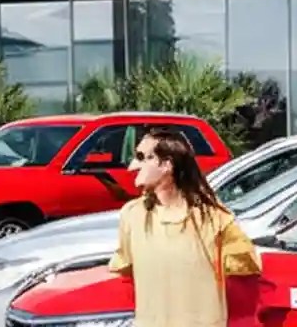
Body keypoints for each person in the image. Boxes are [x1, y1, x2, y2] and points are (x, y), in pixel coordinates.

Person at [109, 127, 261, 327]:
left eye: (142, 157)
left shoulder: (217, 220)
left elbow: (244, 284)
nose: (132, 166)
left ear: (166, 165)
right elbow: (125, 277)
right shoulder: (133, 216)